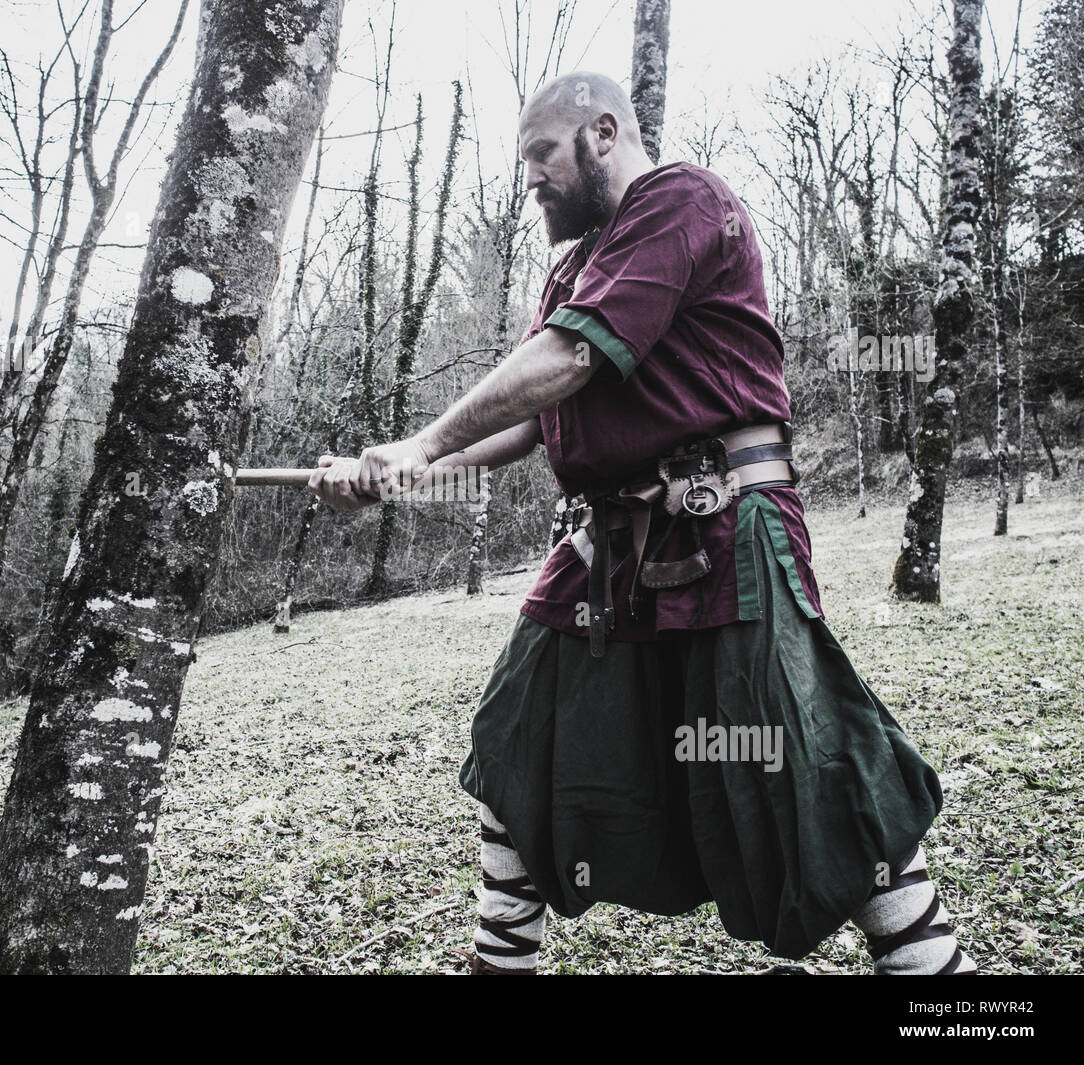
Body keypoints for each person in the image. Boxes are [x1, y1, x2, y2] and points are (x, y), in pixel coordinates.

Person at [308, 70, 976, 976]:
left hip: (728, 530)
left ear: (603, 133)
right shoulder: (577, 262)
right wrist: (402, 471)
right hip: (608, 553)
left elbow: (571, 357)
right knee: (520, 735)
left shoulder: (685, 205)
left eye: (540, 154)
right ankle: (499, 963)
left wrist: (422, 438)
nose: (529, 179)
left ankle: (937, 976)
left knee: (800, 759)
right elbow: (526, 421)